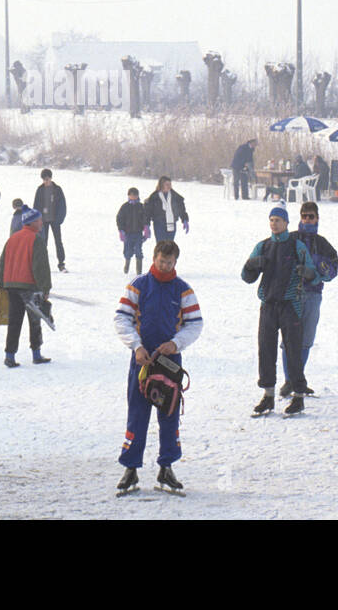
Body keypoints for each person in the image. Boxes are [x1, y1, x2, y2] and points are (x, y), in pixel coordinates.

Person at [113, 239, 203, 495]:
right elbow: (122, 317)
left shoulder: (183, 290)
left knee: (169, 415)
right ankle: (130, 469)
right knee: (138, 413)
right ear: (154, 258)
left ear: (176, 261)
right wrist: (136, 346)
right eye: (161, 261)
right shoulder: (138, 285)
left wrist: (175, 344)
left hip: (169, 362)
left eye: (169, 262)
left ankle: (167, 467)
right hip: (142, 361)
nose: (164, 266)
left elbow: (195, 323)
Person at [241, 205, 320, 417]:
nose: (274, 224)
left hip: (291, 304)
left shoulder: (297, 246)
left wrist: (308, 273)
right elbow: (246, 277)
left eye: (278, 220)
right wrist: (251, 265)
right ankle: (268, 395)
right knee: (265, 349)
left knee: (294, 350)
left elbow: (314, 274)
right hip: (268, 305)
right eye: (271, 220)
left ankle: (298, 397)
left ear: (286, 223)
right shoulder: (263, 246)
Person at [281, 200, 338, 397]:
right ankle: (289, 380)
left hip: (313, 296)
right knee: (288, 340)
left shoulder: (323, 244)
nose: (307, 220)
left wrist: (315, 270)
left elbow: (332, 271)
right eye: (304, 216)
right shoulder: (289, 239)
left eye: (311, 216)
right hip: (290, 296)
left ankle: (298, 379)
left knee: (305, 340)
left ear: (317, 218)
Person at [0, 207, 51, 367]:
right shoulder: (36, 239)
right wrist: (45, 288)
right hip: (29, 286)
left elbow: (2, 263)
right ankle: (36, 353)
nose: (41, 223)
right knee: (35, 321)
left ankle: (10, 355)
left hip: (11, 286)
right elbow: (41, 267)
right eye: (39, 220)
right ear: (32, 222)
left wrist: (0, 283)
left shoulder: (12, 238)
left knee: (14, 321)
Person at [32, 168, 68, 272]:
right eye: (44, 179)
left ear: (51, 178)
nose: (45, 181)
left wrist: (59, 219)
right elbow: (36, 206)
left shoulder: (57, 189)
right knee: (43, 243)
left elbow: (63, 206)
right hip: (43, 222)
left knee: (58, 242)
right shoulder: (40, 190)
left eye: (47, 179)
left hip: (55, 220)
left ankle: (61, 264)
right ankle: (42, 264)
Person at [115, 186, 151, 275]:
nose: (133, 197)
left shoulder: (141, 207)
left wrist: (146, 227)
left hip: (138, 233)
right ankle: (127, 264)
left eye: (135, 195)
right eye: (131, 195)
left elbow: (145, 218)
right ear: (128, 196)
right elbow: (119, 218)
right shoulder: (125, 207)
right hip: (128, 233)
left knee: (139, 250)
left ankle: (139, 271)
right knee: (128, 251)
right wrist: (121, 230)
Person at [144, 176, 188, 242]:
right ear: (161, 185)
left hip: (171, 223)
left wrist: (185, 220)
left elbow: (181, 209)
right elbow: (147, 212)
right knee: (161, 245)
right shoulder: (154, 197)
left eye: (170, 184)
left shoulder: (175, 197)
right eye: (167, 184)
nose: (169, 186)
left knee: (170, 245)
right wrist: (146, 225)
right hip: (159, 224)